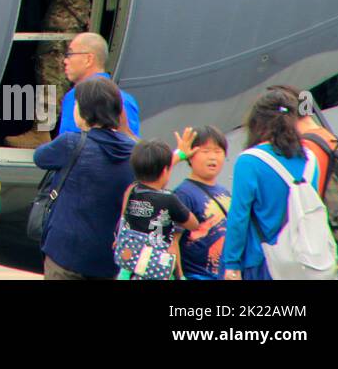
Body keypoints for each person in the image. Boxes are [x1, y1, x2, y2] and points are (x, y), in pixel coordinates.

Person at [33, 77, 136, 279]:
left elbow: (40, 157)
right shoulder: (135, 152)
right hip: (108, 257)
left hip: (65, 252)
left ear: (84, 111)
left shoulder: (72, 143)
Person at [223, 88, 323, 280]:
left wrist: (232, 263)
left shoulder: (249, 161)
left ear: (257, 121)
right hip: (307, 260)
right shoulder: (310, 159)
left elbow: (238, 216)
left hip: (263, 261)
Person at [115, 137, 212, 280]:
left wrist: (179, 155)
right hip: (156, 269)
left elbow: (123, 216)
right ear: (165, 171)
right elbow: (193, 224)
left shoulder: (131, 190)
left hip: (129, 267)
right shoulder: (169, 199)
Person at [175, 125, 232, 280]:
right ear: (190, 156)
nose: (212, 157)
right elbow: (173, 241)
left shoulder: (225, 193)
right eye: (205, 151)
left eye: (218, 151)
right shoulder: (183, 194)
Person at [57, 32, 140, 137]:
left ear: (88, 59)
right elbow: (130, 147)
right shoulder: (126, 100)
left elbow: (68, 147)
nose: (65, 61)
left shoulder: (76, 97)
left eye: (70, 54)